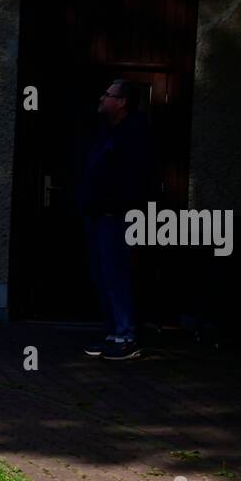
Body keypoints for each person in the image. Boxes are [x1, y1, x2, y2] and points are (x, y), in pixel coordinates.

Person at [79, 78, 155, 361]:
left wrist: (118, 206)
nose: (102, 98)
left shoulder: (135, 134)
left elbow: (134, 178)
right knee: (102, 276)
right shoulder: (106, 131)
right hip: (99, 215)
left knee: (116, 275)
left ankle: (127, 336)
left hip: (117, 216)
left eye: (107, 94)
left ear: (121, 101)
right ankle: (112, 333)